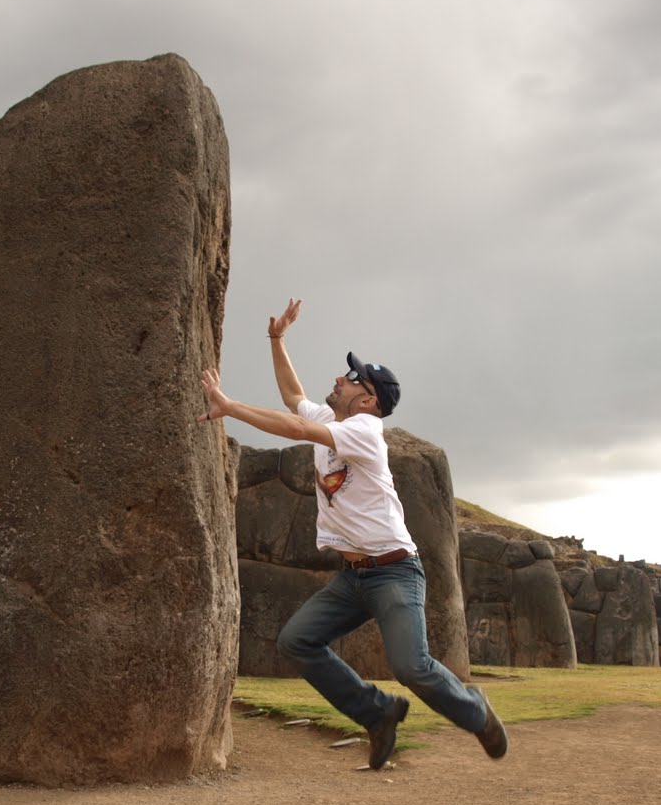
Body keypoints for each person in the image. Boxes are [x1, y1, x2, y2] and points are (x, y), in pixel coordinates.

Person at [198, 298, 507, 771]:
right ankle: (377, 713)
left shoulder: (365, 430)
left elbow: (297, 425)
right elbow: (292, 399)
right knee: (296, 641)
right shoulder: (334, 419)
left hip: (394, 572)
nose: (340, 380)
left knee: (410, 666)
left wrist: (230, 407)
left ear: (367, 400)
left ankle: (476, 711)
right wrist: (277, 339)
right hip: (353, 578)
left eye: (352, 379)